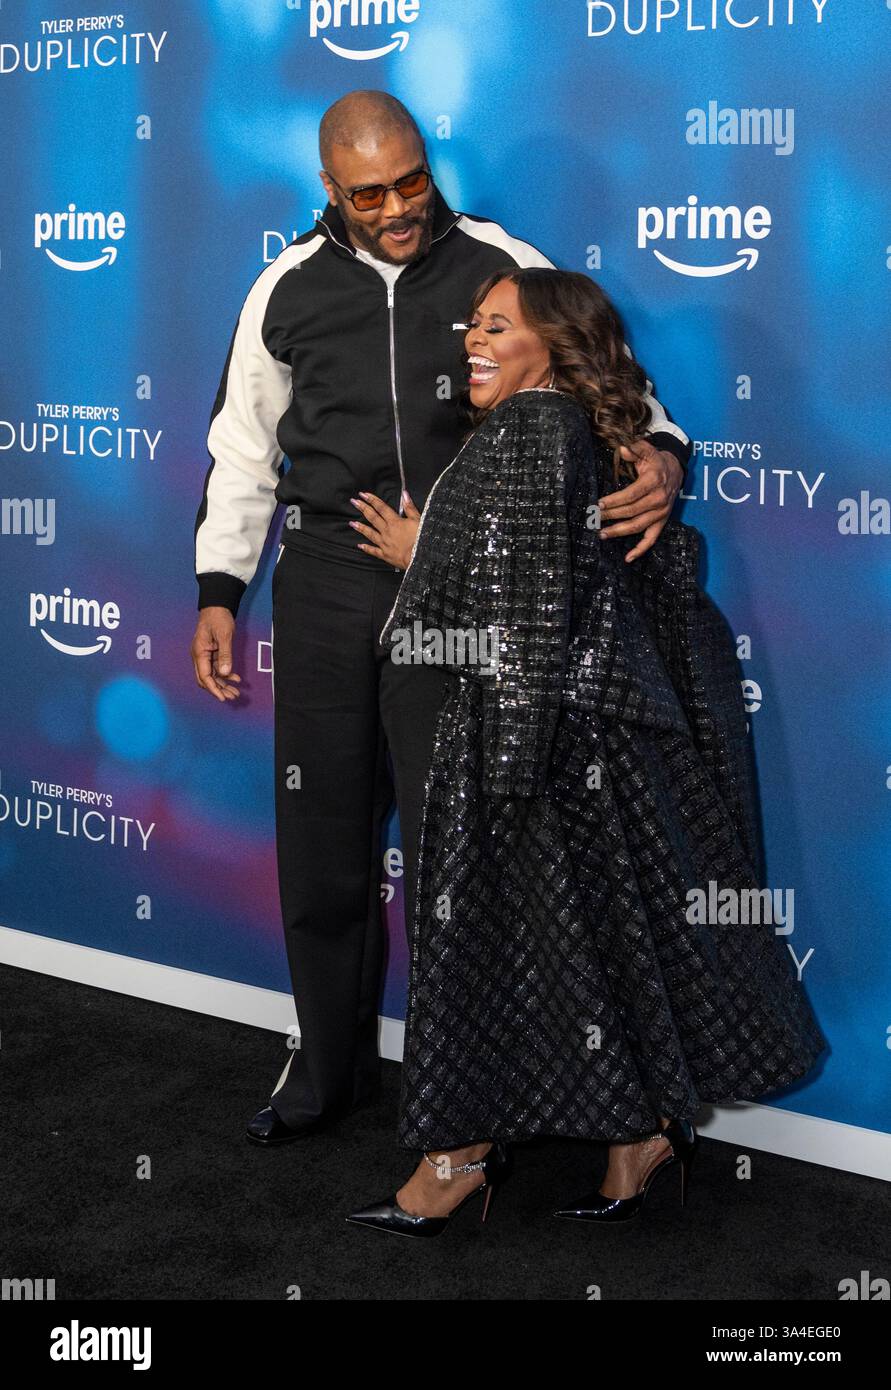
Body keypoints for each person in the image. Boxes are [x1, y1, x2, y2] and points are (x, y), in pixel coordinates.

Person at [191, 91, 692, 1146]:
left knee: (457, 853)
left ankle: (471, 1098)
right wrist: (218, 592)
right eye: (369, 193)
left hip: (462, 590)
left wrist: (662, 454)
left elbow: (615, 384)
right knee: (320, 843)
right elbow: (242, 450)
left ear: (428, 164)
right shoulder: (281, 286)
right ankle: (327, 1074)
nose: (397, 207)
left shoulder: (499, 263)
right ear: (330, 189)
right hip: (328, 581)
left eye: (411, 180)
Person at [344, 268, 827, 1236]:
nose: (472, 341)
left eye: (497, 326)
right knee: (613, 951)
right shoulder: (587, 433)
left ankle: (457, 1160)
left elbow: (518, 614)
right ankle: (639, 1137)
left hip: (526, 737)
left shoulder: (530, 428)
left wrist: (506, 773)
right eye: (470, 324)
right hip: (598, 740)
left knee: (481, 955)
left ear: (554, 347)